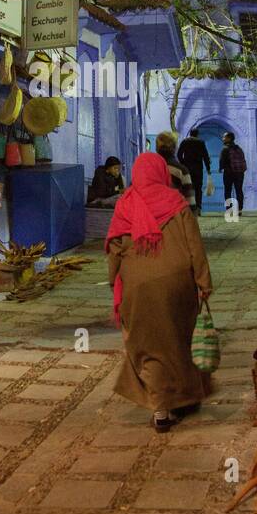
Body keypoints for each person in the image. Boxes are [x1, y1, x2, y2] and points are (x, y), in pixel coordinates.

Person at [107, 151, 213, 432]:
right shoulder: (176, 202)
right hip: (178, 284)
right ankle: (180, 398)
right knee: (176, 341)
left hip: (138, 286)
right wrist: (203, 281)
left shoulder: (125, 203)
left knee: (148, 346)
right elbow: (194, 244)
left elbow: (115, 249)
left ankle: (161, 408)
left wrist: (113, 281)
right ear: (161, 174)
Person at [155, 130, 196, 208]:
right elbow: (190, 202)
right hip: (173, 216)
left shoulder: (147, 169)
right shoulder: (182, 171)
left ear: (156, 148)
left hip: (149, 217)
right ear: (174, 148)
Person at [177, 126, 211, 212]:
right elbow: (205, 156)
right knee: (198, 188)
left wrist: (183, 164)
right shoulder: (201, 142)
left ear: (190, 134)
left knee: (187, 187)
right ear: (197, 134)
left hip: (187, 169)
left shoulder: (185, 141)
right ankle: (198, 207)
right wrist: (208, 168)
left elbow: (179, 154)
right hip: (198, 169)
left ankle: (188, 207)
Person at [219, 132, 247, 215]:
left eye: (224, 137)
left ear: (229, 138)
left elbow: (222, 160)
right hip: (239, 173)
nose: (223, 139)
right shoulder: (239, 148)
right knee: (239, 190)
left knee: (228, 191)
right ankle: (239, 209)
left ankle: (229, 209)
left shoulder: (225, 148)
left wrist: (220, 168)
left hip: (229, 172)